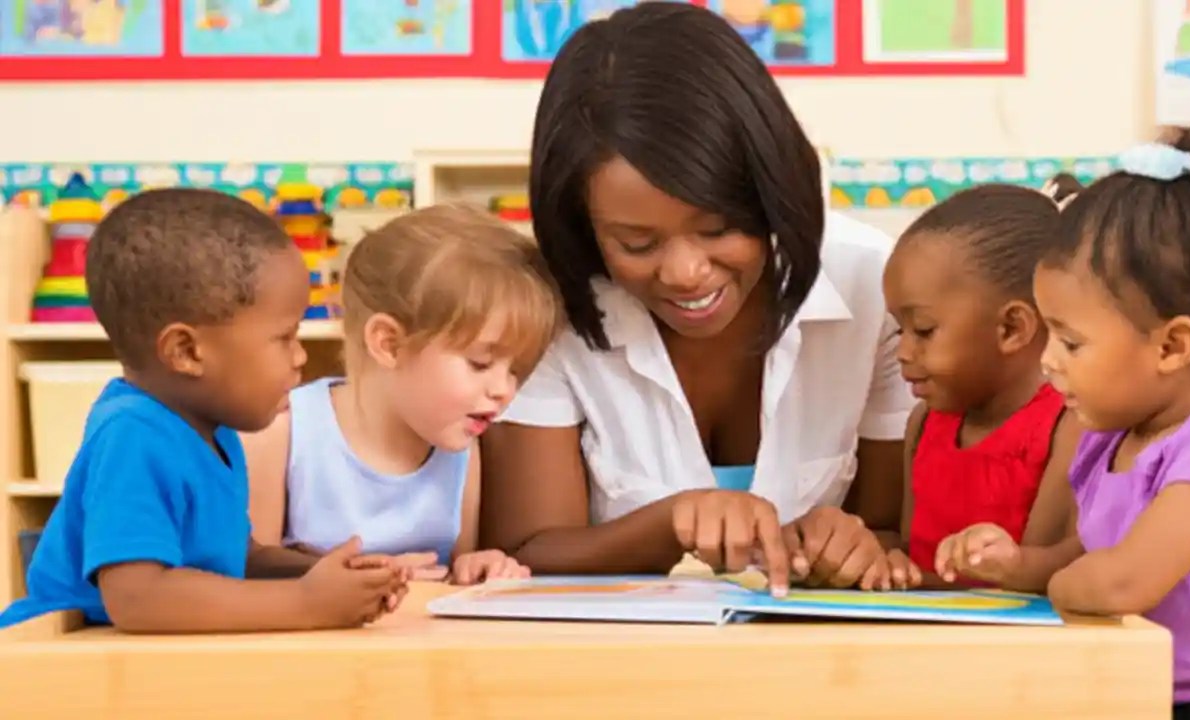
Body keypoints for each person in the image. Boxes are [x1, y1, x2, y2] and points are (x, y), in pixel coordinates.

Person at [480, 3, 913, 597]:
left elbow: (895, 531)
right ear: (583, 225)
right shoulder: (544, 307)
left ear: (771, 191)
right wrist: (667, 525)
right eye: (636, 242)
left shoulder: (876, 287)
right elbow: (523, 552)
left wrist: (855, 545)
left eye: (718, 230)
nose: (686, 273)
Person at [942, 126, 1190, 717]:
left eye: (1071, 343)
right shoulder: (1106, 444)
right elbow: (1083, 553)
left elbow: (1120, 583)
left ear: (1172, 346)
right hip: (1137, 688)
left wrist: (1059, 586)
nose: (1047, 360)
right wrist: (1016, 564)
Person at [0, 189, 406, 633]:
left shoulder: (211, 430)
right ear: (186, 351)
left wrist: (323, 573)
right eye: (284, 337)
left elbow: (234, 559)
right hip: (57, 663)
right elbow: (138, 598)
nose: (300, 357)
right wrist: (307, 602)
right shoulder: (133, 435)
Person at [243, 206, 559, 585]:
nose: (503, 390)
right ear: (389, 344)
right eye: (479, 363)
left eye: (516, 371)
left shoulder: (461, 446)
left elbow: (452, 579)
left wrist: (477, 566)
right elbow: (250, 576)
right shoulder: (281, 434)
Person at [884, 185, 1082, 588]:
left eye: (923, 330)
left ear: (1011, 328)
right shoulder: (924, 424)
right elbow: (910, 550)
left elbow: (1033, 584)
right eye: (897, 330)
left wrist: (912, 582)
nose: (903, 352)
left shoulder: (1068, 427)